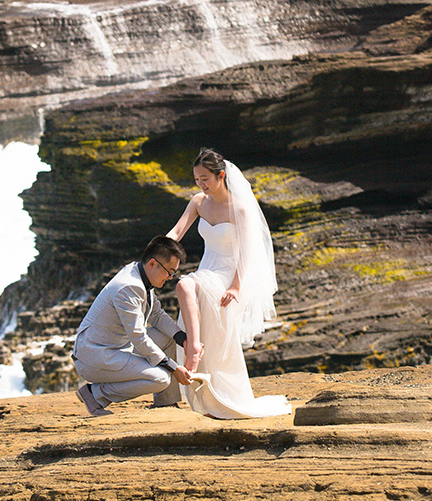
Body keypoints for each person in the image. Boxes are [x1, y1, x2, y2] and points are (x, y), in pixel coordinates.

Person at [166, 148, 290, 419]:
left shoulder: (241, 208)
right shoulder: (198, 201)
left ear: (221, 176)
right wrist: (156, 250)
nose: (200, 184)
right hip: (207, 271)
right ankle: (212, 400)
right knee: (210, 330)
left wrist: (235, 286)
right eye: (197, 179)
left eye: (205, 178)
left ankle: (193, 350)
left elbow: (248, 252)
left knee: (185, 285)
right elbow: (176, 233)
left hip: (229, 278)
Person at [72, 235, 195, 416]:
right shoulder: (129, 287)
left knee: (168, 338)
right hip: (94, 358)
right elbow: (138, 336)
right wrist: (174, 367)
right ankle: (94, 394)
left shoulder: (140, 274)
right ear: (153, 263)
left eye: (173, 273)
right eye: (169, 271)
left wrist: (183, 339)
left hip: (118, 348)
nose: (170, 277)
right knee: (161, 378)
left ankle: (166, 403)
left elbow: (156, 315)